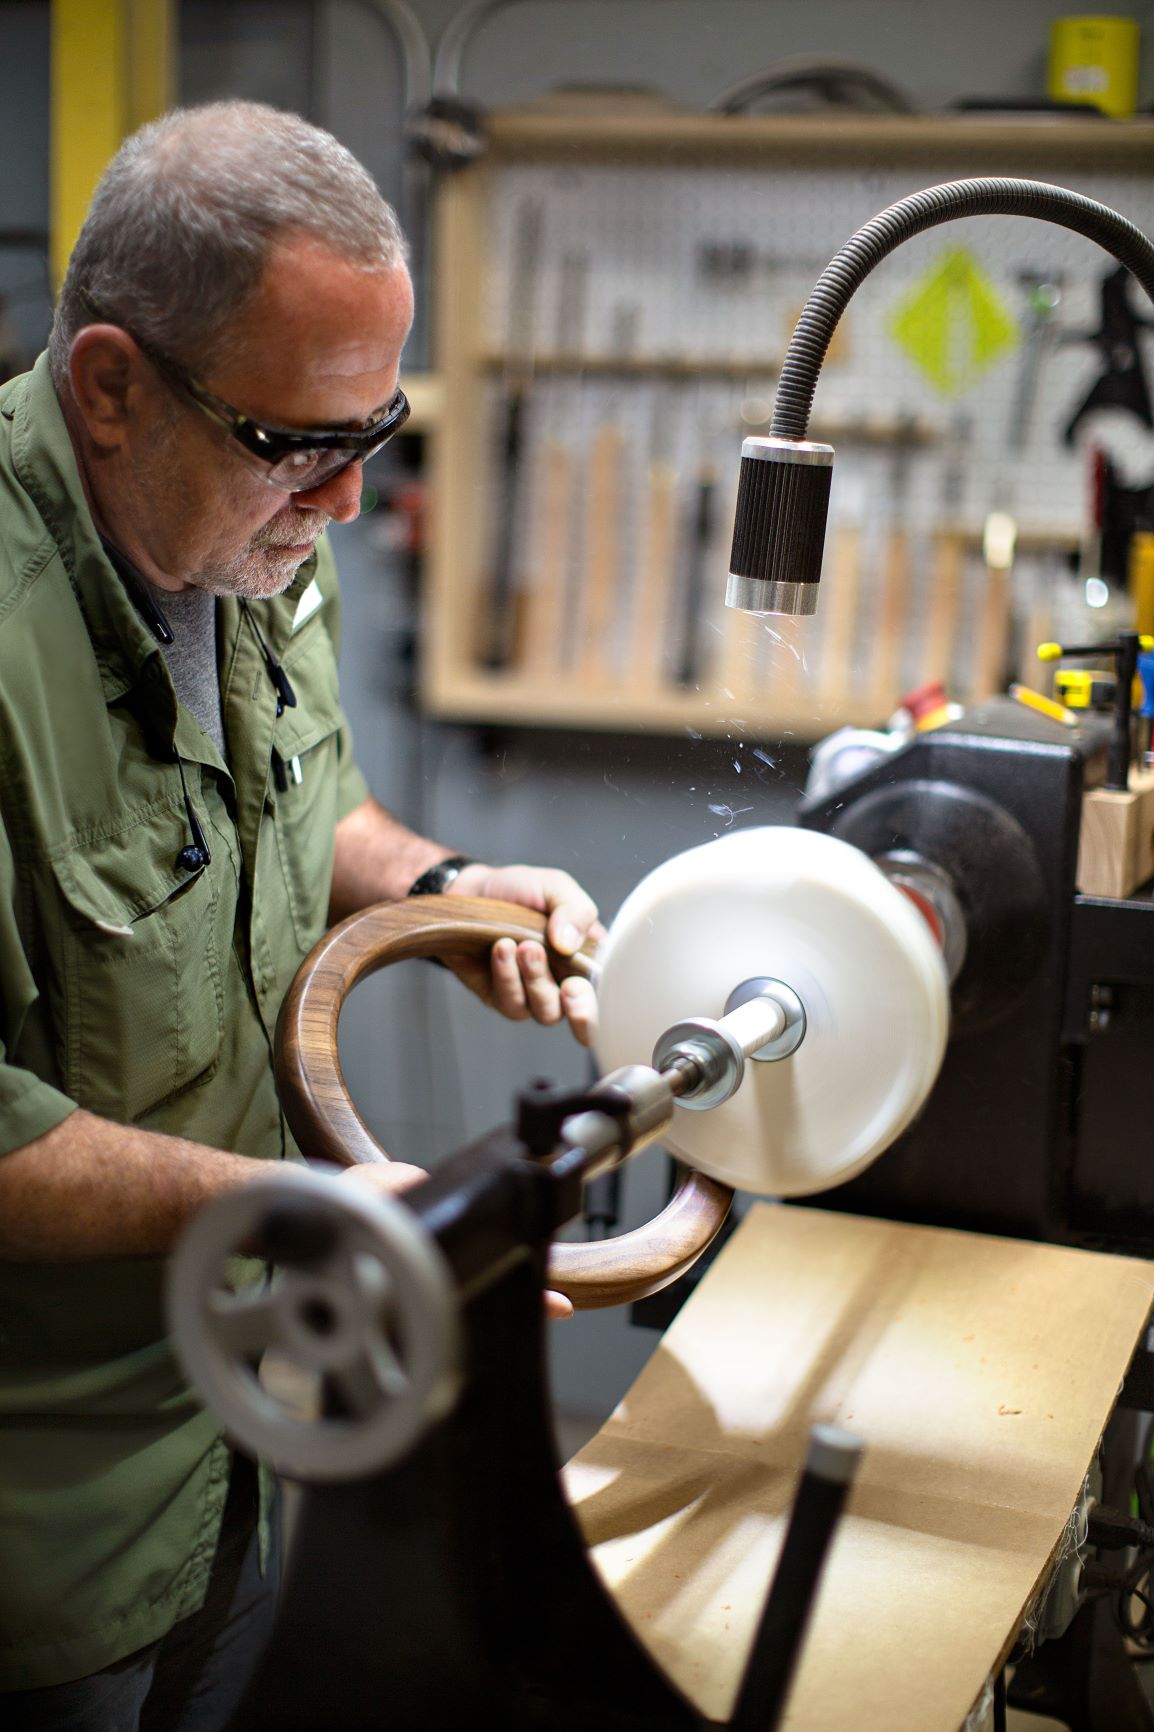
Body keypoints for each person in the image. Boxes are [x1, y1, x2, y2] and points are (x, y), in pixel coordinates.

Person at [0, 100, 601, 1728]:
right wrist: (300, 1208)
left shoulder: (252, 533)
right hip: (37, 1537)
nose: (340, 508)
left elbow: (303, 801)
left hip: (235, 1449)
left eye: (371, 439)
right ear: (112, 385)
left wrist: (436, 893)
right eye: (294, 447)